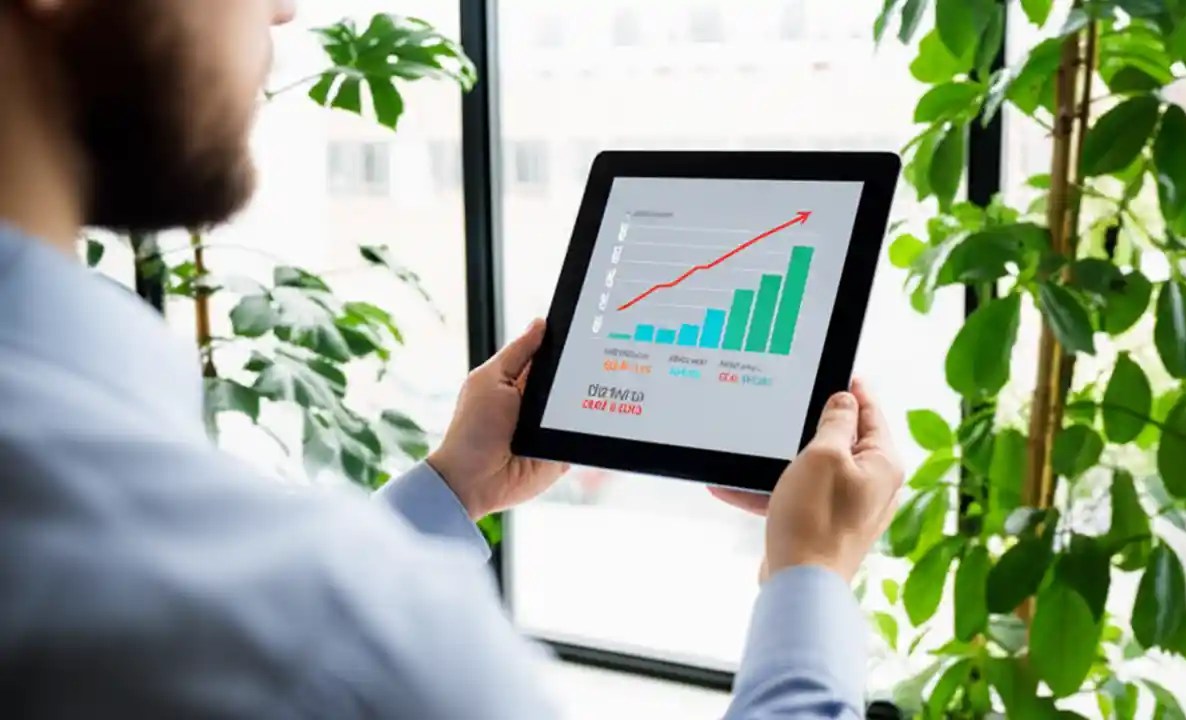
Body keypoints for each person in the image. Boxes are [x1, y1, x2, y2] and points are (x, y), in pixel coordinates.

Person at [0, 1, 905, 717]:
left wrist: (451, 488)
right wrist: (811, 576)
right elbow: (312, 631)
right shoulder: (341, 640)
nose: (283, 8)